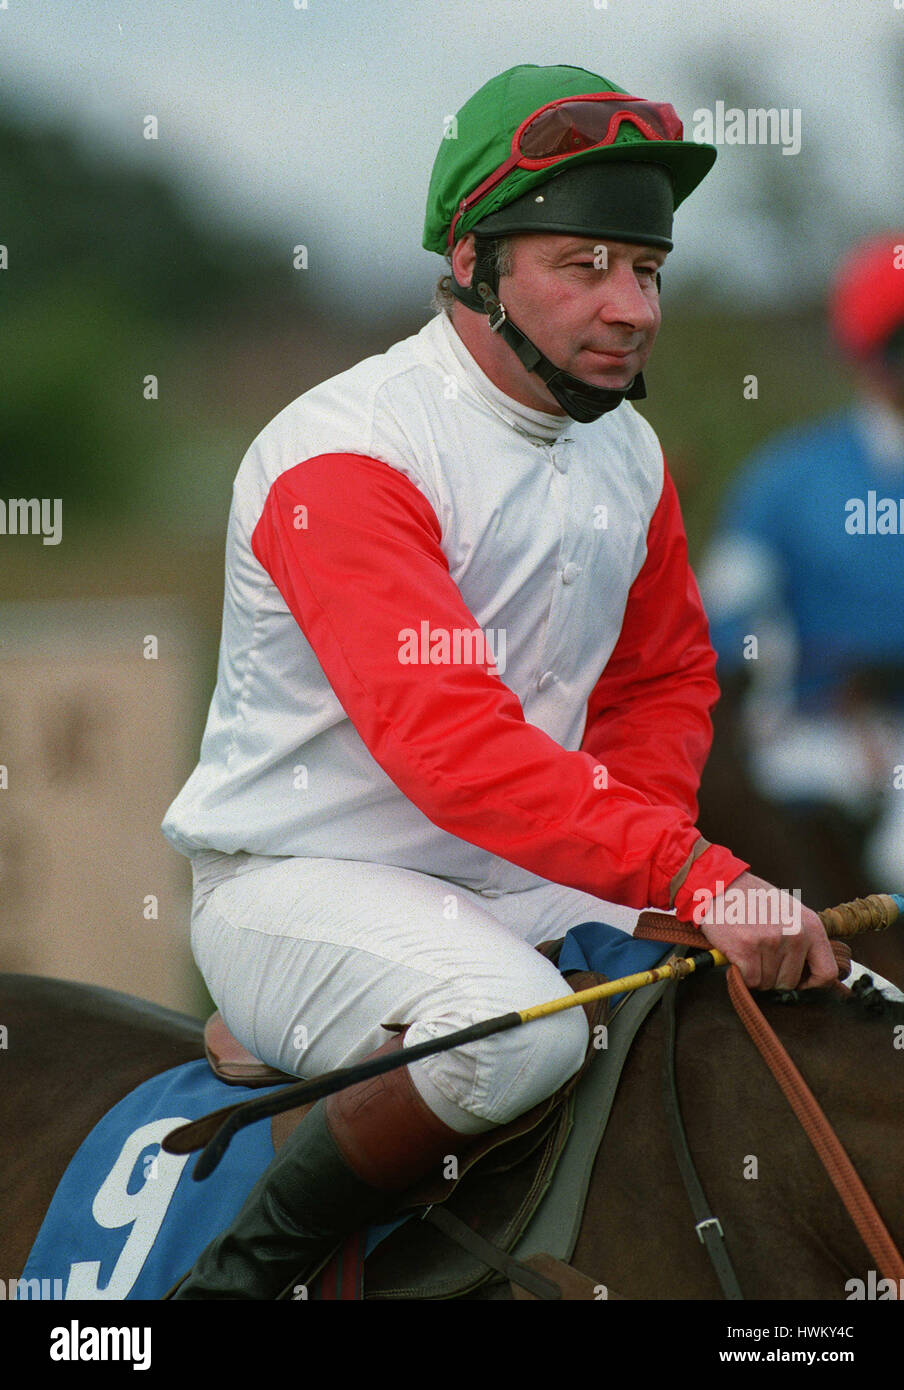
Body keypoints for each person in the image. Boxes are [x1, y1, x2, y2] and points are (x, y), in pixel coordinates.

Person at [161, 63, 836, 1300]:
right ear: (473, 260)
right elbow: (450, 746)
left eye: (647, 270)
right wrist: (693, 872)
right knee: (515, 1040)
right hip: (303, 886)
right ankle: (229, 1287)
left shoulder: (628, 449)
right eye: (583, 265)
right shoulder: (345, 452)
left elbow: (663, 678)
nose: (630, 306)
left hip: (521, 885)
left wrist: (642, 875)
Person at [700, 234, 904, 897]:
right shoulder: (787, 481)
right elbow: (726, 617)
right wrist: (787, 665)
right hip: (828, 737)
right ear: (863, 355)